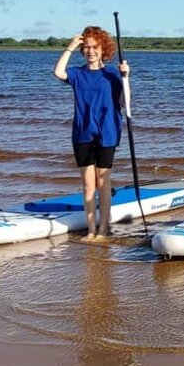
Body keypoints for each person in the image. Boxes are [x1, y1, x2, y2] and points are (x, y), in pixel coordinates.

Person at [53, 26, 130, 240]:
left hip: (107, 133)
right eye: (86, 47)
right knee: (88, 184)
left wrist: (126, 78)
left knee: (103, 184)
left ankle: (104, 228)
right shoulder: (77, 74)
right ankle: (91, 229)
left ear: (102, 48)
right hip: (82, 133)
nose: (90, 51)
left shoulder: (112, 74)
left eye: (94, 47)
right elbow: (58, 72)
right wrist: (70, 47)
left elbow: (125, 103)